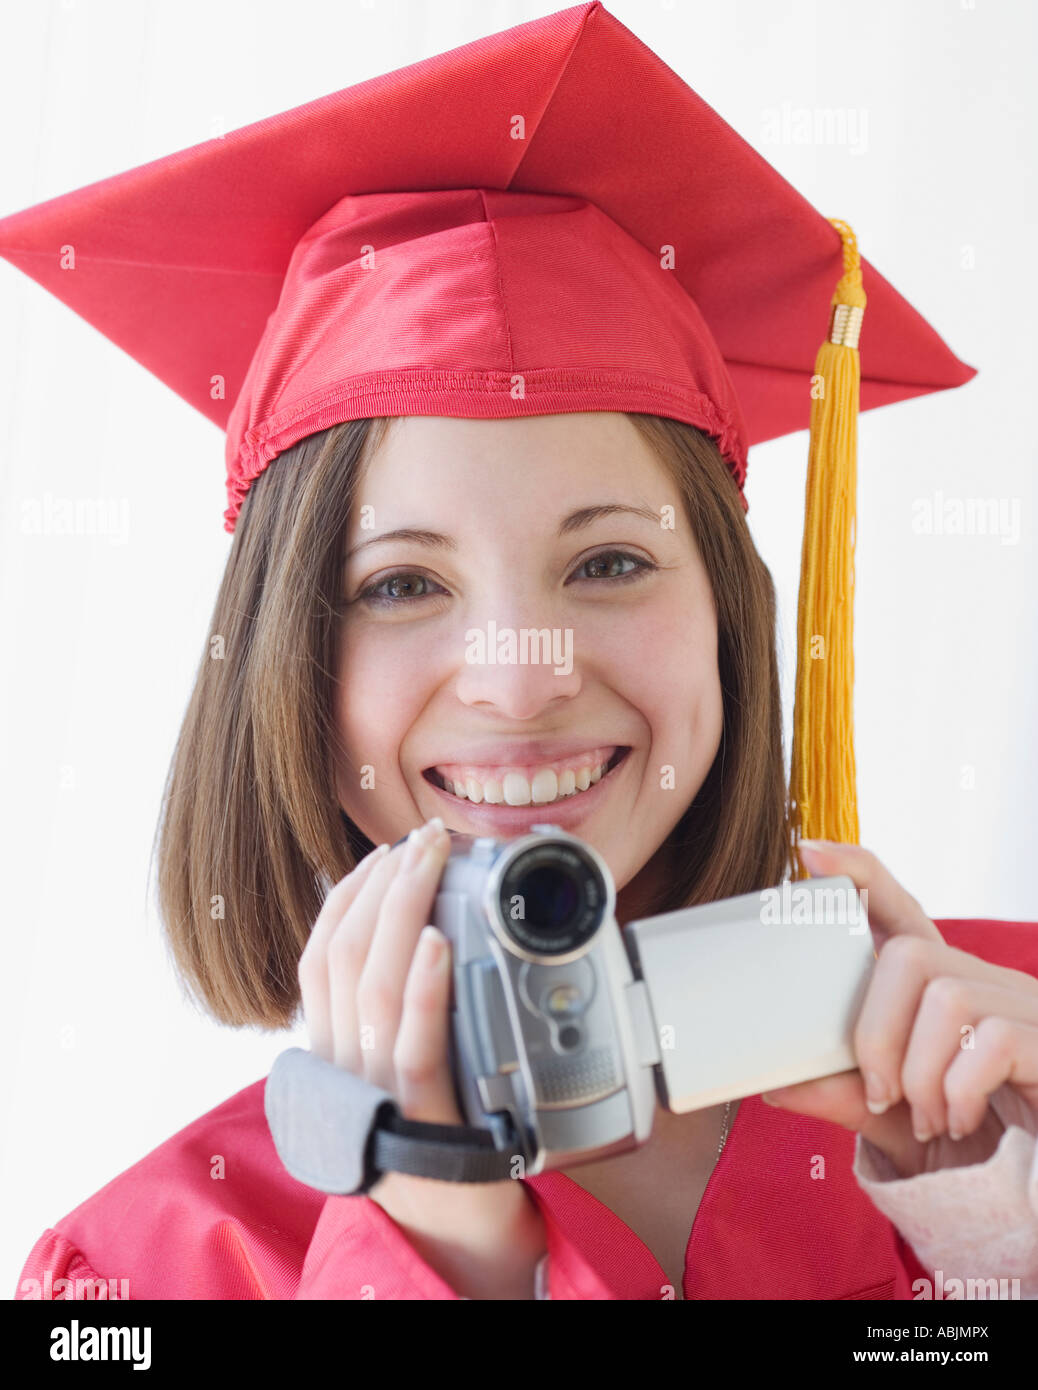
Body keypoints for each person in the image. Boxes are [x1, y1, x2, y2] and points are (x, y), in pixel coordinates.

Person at [5, 2, 1037, 1301]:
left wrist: (1000, 1248)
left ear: (728, 611)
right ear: (283, 672)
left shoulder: (1003, 1057)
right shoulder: (153, 1271)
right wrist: (431, 1247)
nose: (519, 670)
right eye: (399, 582)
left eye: (608, 560)